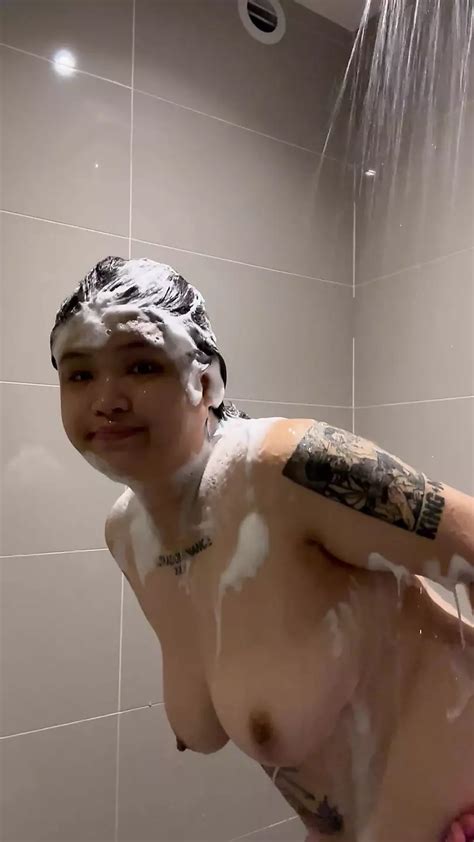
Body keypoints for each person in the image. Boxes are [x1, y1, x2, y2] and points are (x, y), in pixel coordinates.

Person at [50, 256, 474, 842]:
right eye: (79, 375)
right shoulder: (128, 535)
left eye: (142, 366)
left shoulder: (288, 467)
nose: (106, 400)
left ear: (206, 382)